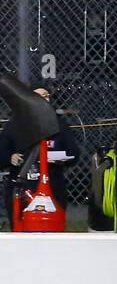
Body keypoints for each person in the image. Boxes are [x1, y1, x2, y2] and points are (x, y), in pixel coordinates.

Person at [0, 82, 78, 228]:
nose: (43, 99)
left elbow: (74, 153)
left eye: (46, 96)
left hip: (52, 185)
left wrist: (62, 160)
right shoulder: (14, 125)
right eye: (37, 96)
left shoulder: (59, 124)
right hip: (22, 185)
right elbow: (2, 155)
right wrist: (10, 158)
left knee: (53, 228)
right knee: (21, 228)